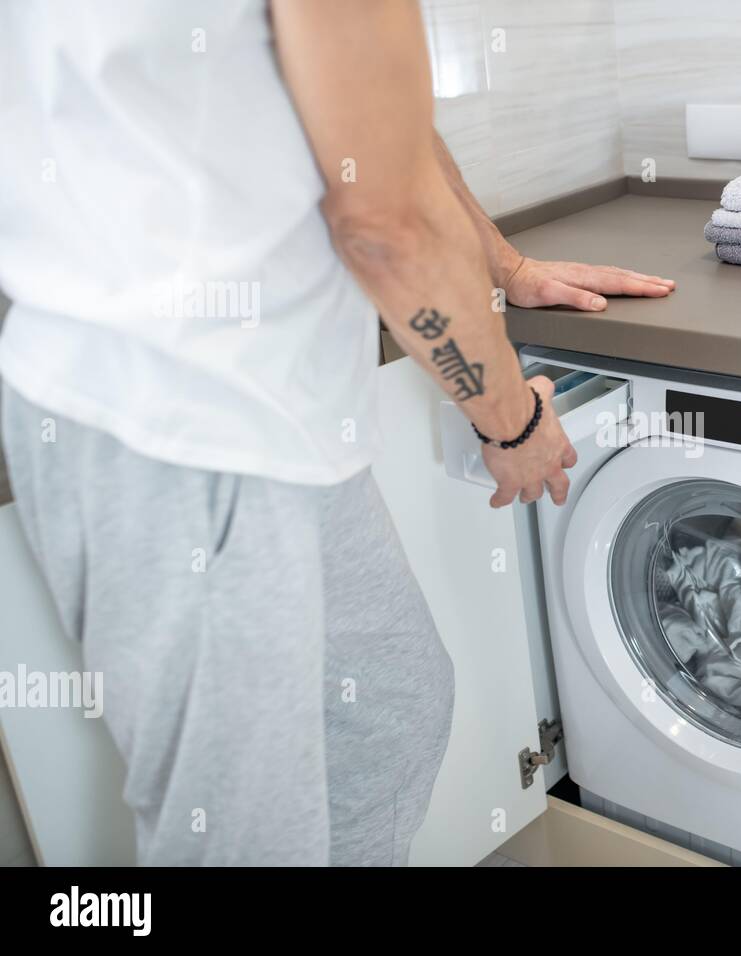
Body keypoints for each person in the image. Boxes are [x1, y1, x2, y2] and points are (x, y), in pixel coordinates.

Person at [0, 0, 673, 865]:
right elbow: (385, 224)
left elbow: (378, 131)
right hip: (170, 418)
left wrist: (503, 267)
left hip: (256, 408)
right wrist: (515, 421)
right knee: (244, 835)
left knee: (387, 713)